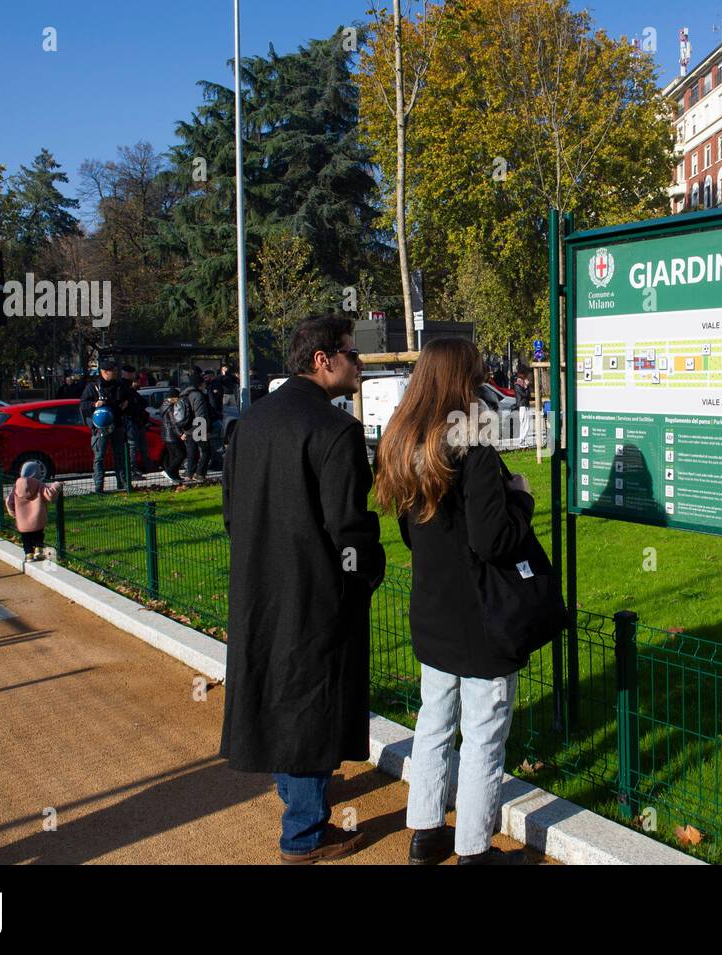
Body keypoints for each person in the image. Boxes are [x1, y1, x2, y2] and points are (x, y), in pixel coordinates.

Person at [220, 314, 386, 865]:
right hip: (316, 587)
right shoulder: (334, 430)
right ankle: (305, 833)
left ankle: (299, 793)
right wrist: (366, 574)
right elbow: (350, 526)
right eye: (351, 353)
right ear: (323, 360)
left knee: (280, 690)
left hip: (258, 583)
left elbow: (231, 513)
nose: (358, 363)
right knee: (311, 698)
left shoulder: (250, 423)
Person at [373, 337, 535, 865]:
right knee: (484, 734)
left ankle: (424, 831)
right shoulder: (474, 445)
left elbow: (411, 532)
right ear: (463, 380)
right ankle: (472, 850)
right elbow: (493, 540)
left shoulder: (405, 444)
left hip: (433, 611)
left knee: (435, 722)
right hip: (479, 618)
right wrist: (521, 499)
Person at [79, 359, 132, 493]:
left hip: (117, 423)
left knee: (119, 455)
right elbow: (83, 405)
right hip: (100, 427)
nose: (114, 373)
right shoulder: (92, 387)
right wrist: (94, 405)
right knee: (99, 456)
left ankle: (123, 483)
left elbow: (130, 399)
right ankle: (99, 485)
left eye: (115, 370)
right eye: (112, 371)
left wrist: (126, 404)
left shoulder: (119, 386)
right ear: (104, 372)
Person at [3, 460, 62, 561]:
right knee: (39, 535)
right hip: (37, 519)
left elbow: (9, 501)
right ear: (37, 473)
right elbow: (49, 495)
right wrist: (57, 485)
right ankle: (38, 550)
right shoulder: (39, 485)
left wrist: (14, 513)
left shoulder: (16, 486)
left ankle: (29, 554)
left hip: (22, 521)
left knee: (26, 538)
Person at [179, 374, 212, 483]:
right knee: (207, 451)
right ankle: (200, 473)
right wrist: (205, 430)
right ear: (200, 384)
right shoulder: (197, 395)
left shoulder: (184, 394)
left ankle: (190, 474)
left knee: (191, 452)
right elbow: (200, 413)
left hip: (187, 428)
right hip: (198, 427)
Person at [159, 387, 187, 484]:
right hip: (173, 435)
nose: (179, 399)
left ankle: (175, 476)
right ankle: (169, 471)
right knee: (181, 454)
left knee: (173, 456)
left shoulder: (164, 405)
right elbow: (174, 423)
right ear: (173, 398)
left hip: (167, 436)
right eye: (177, 397)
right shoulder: (171, 407)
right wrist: (181, 434)